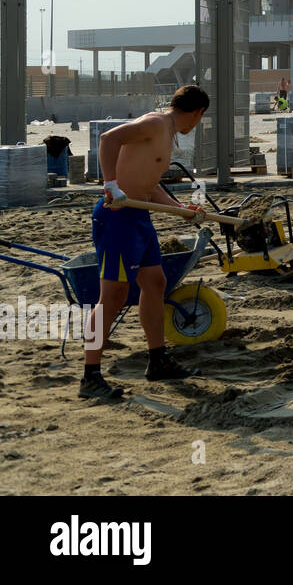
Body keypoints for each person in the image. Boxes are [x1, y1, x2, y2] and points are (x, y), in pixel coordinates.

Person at [80, 85, 210, 400]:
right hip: (117, 216)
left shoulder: (167, 134)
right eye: (201, 117)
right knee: (112, 297)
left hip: (139, 216)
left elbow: (149, 186)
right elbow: (108, 139)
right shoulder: (155, 123)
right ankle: (90, 376)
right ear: (196, 113)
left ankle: (157, 360)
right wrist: (110, 184)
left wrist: (180, 210)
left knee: (155, 282)